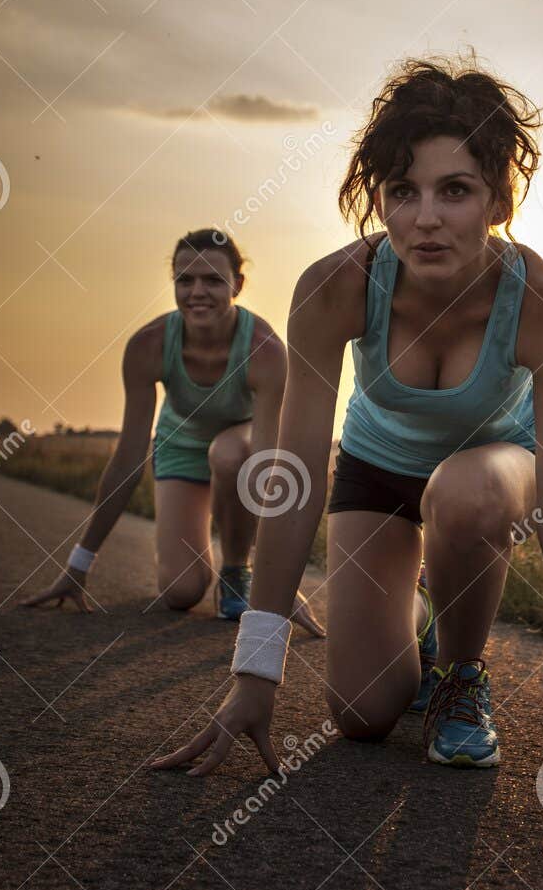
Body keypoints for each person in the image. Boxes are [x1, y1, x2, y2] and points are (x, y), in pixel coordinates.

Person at [152, 60, 543, 823]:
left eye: (455, 190)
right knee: (360, 716)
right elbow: (298, 475)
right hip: (375, 471)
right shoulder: (332, 285)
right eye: (402, 192)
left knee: (464, 494)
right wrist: (256, 671)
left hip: (492, 476)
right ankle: (419, 607)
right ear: (378, 199)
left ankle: (460, 675)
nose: (425, 219)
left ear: (497, 200)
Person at [21, 228, 322, 631]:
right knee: (180, 592)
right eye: (185, 280)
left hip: (242, 443)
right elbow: (127, 459)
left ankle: (236, 572)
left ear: (238, 284)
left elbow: (267, 469)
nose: (197, 291)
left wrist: (279, 583)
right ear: (174, 284)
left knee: (229, 454)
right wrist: (79, 565)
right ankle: (192, 554)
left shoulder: (264, 350)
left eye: (213, 280)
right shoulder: (147, 345)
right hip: (180, 444)